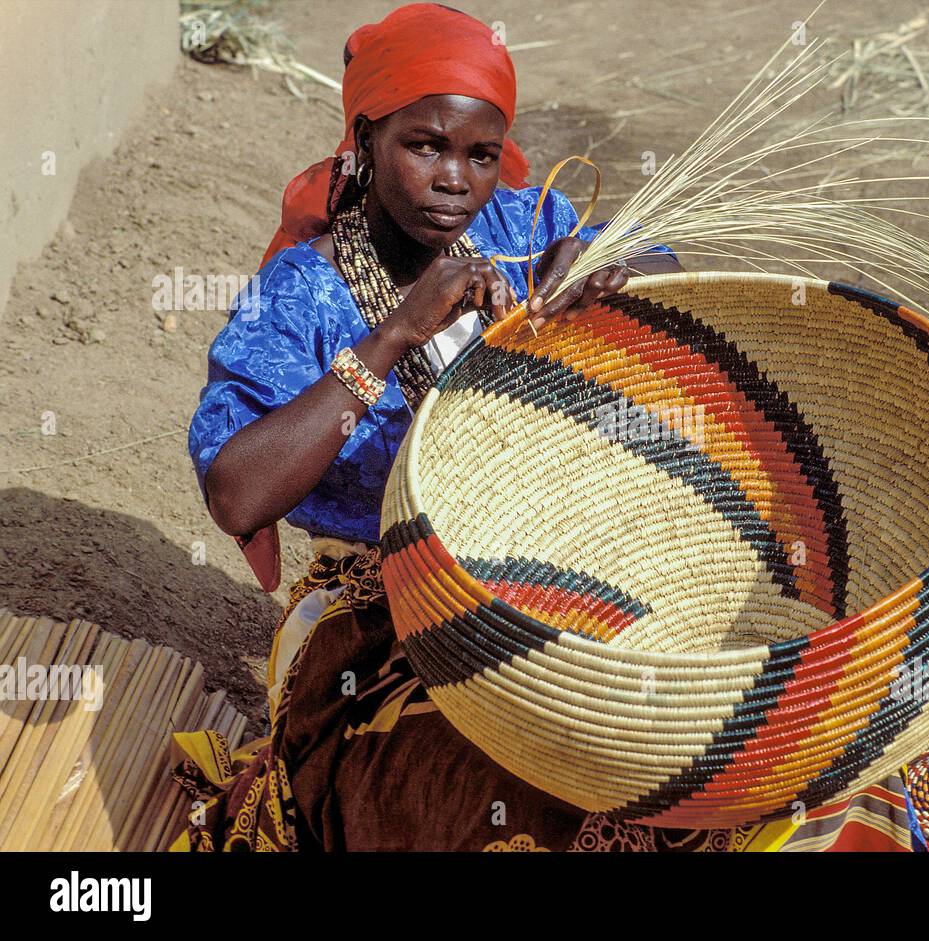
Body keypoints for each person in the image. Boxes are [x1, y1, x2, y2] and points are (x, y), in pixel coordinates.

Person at [175, 3, 717, 851]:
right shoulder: (302, 291)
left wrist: (601, 270)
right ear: (363, 139)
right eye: (425, 145)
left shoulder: (516, 224)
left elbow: (666, 251)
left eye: (480, 154)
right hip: (378, 623)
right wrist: (390, 339)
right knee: (493, 793)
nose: (455, 179)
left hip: (544, 576)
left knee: (697, 738)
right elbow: (235, 492)